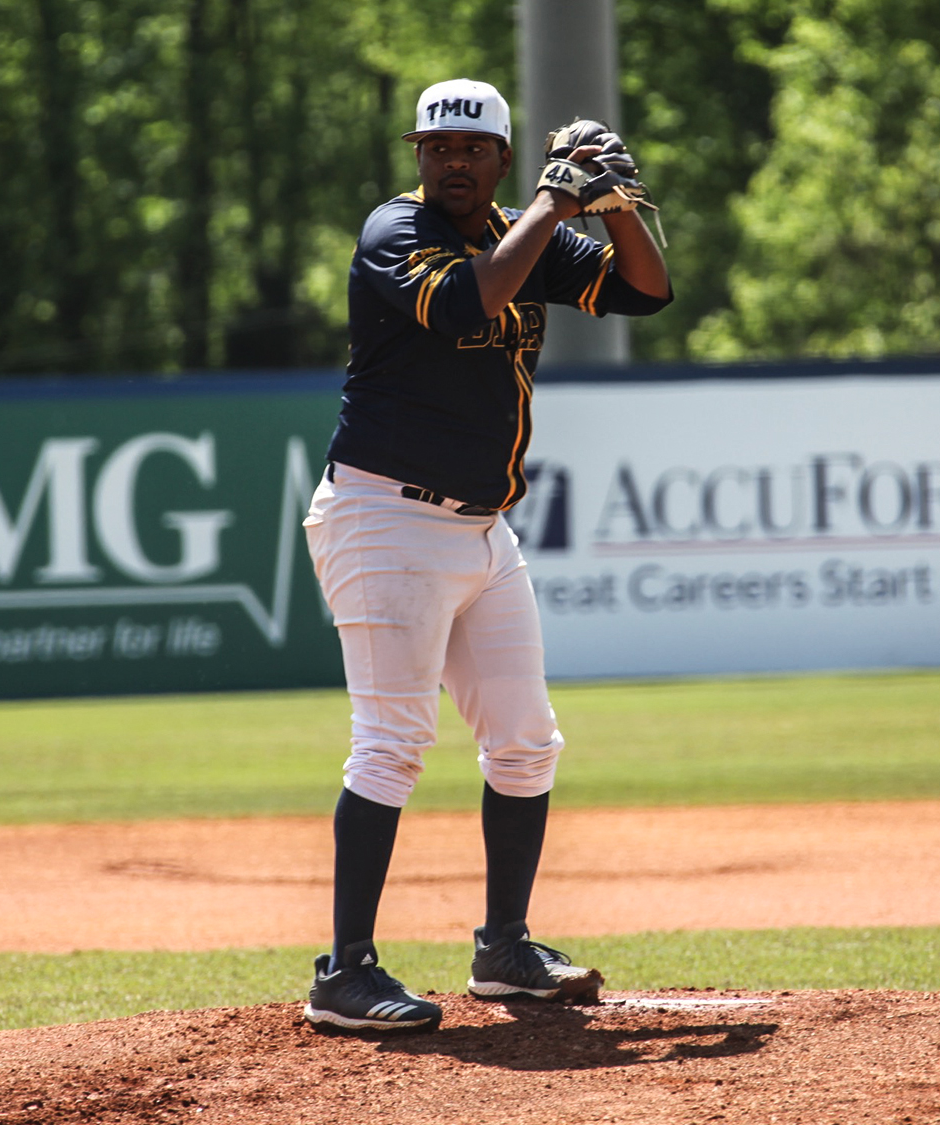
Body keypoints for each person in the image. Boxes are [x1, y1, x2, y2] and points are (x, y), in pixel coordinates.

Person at [299, 78, 671, 1031]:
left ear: (500, 158)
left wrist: (615, 201)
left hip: (481, 530)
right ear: (418, 155)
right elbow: (471, 304)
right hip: (385, 517)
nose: (452, 162)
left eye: (471, 149)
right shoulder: (397, 233)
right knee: (391, 744)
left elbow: (645, 289)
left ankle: (505, 947)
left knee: (525, 737)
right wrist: (555, 198)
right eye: (437, 146)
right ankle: (345, 972)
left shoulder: (522, 227)